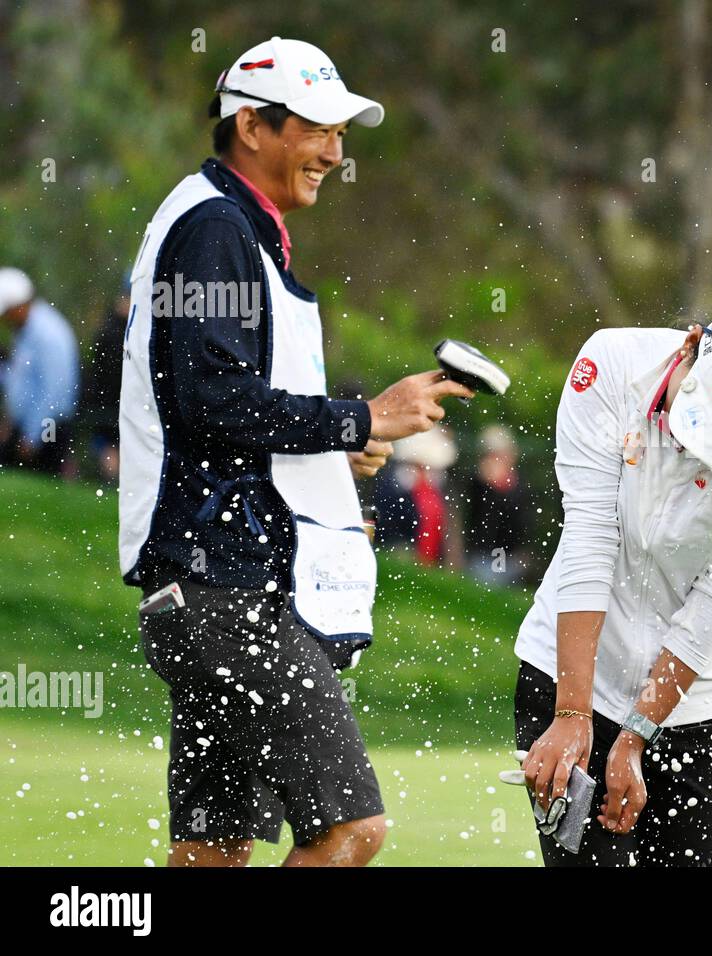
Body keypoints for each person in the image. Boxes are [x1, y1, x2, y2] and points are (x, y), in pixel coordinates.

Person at [120, 37, 473, 867]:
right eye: (316, 129)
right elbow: (209, 397)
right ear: (251, 125)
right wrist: (362, 419)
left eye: (340, 133)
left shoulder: (232, 222)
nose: (335, 152)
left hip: (203, 590)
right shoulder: (216, 227)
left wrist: (328, 454)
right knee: (351, 831)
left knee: (213, 849)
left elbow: (213, 412)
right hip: (224, 593)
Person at [513, 248, 712, 866]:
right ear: (690, 348)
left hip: (706, 700)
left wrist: (636, 735)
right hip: (574, 677)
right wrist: (574, 714)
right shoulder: (609, 363)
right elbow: (590, 540)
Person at [0, 267, 79, 476]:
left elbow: (53, 393)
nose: (5, 319)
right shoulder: (26, 331)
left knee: (47, 484)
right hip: (30, 428)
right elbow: (19, 379)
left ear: (19, 305)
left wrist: (34, 436)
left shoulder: (48, 334)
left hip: (49, 428)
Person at [373, 425, 463, 566]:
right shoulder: (397, 480)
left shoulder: (439, 483)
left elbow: (448, 520)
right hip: (401, 547)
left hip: (433, 554)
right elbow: (387, 514)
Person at [464, 425, 532, 585]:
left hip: (511, 555)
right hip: (484, 555)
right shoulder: (478, 484)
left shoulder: (519, 483)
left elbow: (522, 520)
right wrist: (490, 485)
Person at [82, 272, 132, 483]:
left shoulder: (116, 327)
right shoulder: (114, 331)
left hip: (119, 404)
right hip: (112, 405)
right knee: (111, 451)